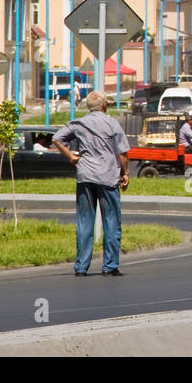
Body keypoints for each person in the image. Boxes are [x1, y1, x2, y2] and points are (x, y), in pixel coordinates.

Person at [52, 91, 131, 277]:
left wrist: (71, 157)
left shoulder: (79, 123)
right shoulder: (112, 123)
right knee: (111, 221)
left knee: (84, 221)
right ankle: (110, 266)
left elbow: (56, 138)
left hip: (85, 175)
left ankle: (81, 267)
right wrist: (125, 173)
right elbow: (123, 154)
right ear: (104, 106)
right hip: (108, 177)